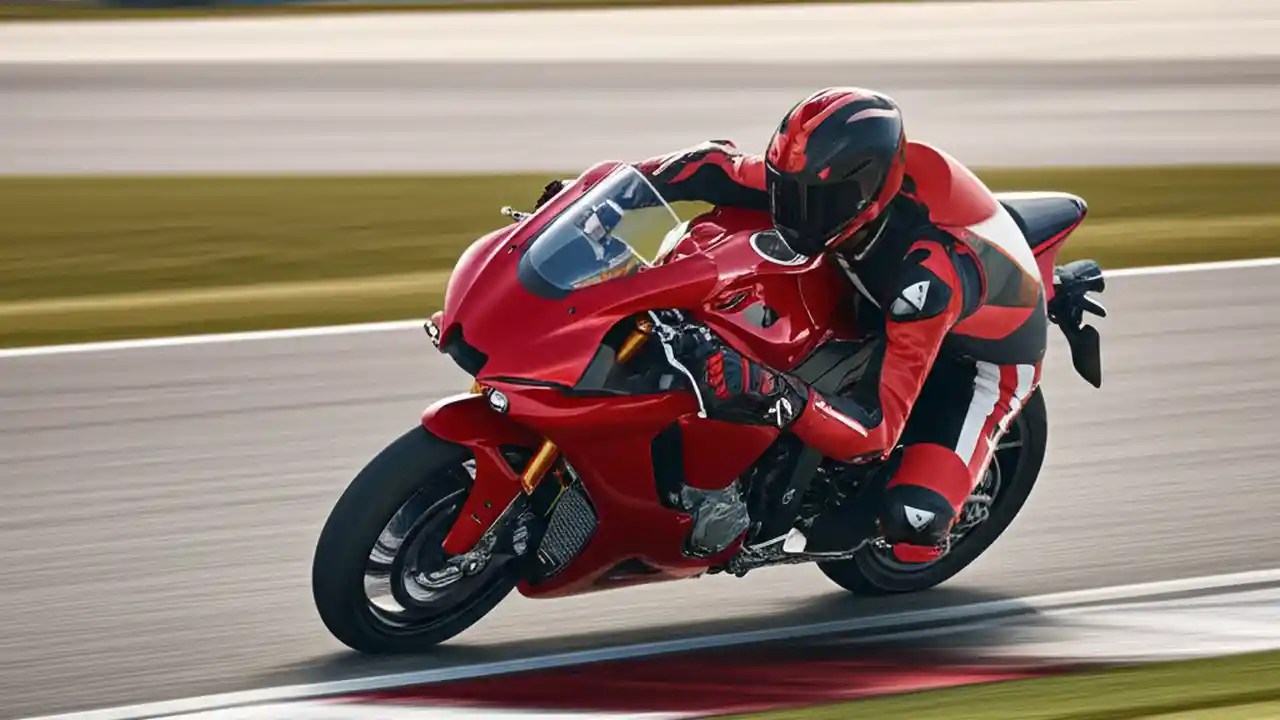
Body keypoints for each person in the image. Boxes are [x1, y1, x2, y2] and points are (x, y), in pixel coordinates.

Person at [540, 88, 1047, 562]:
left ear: (863, 198)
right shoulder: (822, 185)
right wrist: (593, 205)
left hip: (977, 361)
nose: (790, 212)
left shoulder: (925, 281)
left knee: (913, 520)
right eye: (785, 190)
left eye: (810, 202)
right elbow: (710, 166)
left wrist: (768, 389)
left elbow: (874, 431)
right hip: (866, 282)